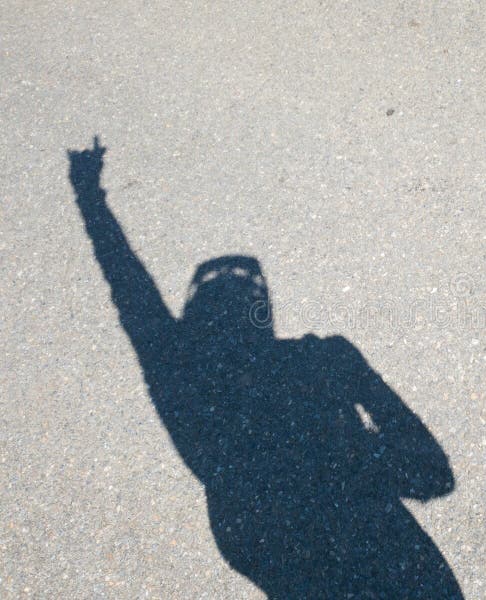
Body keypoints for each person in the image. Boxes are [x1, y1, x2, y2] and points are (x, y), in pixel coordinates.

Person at [68, 137, 462, 599]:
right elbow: (433, 472)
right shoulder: (324, 359)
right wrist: (358, 458)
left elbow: (130, 289)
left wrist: (87, 194)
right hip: (411, 577)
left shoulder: (180, 379)